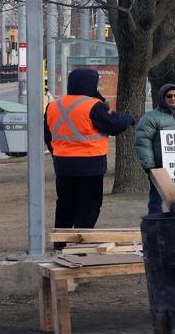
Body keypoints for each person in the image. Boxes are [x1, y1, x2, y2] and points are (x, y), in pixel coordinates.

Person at [44, 67, 135, 234]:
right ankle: (81, 238)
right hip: (90, 164)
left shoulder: (53, 106)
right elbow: (114, 126)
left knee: (65, 202)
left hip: (63, 164)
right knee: (90, 204)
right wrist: (129, 119)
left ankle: (61, 239)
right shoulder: (93, 105)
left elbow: (48, 136)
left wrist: (58, 153)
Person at [133, 83, 175, 216]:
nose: (173, 98)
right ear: (163, 97)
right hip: (160, 168)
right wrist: (149, 166)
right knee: (156, 202)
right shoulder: (150, 118)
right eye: (169, 95)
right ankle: (154, 227)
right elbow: (143, 142)